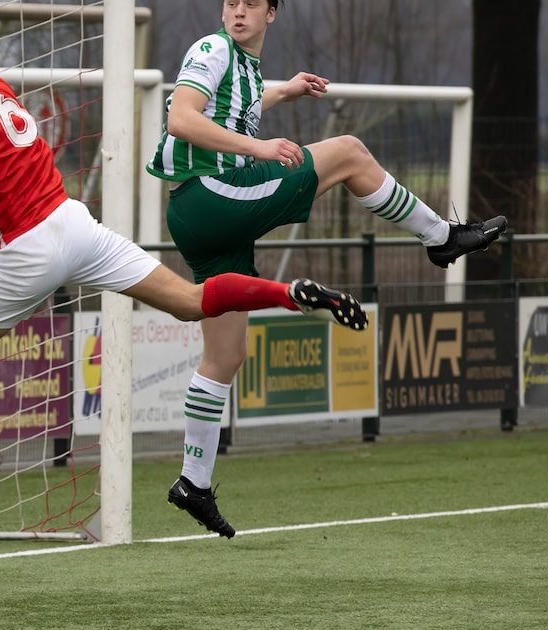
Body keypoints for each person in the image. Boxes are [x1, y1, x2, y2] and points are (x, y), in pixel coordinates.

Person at [0, 14, 367, 510]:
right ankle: (288, 293)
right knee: (190, 303)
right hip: (75, 224)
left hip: (25, 252)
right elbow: (1, 140)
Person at [144, 0, 508, 538]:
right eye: (230, 2)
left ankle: (192, 483)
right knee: (349, 153)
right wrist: (260, 147)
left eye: (250, 4)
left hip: (201, 218)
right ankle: (442, 237)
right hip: (212, 199)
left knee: (226, 353)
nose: (237, 11)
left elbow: (238, 98)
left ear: (272, 14)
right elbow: (181, 116)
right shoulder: (212, 47)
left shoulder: (241, 66)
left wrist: (284, 90)